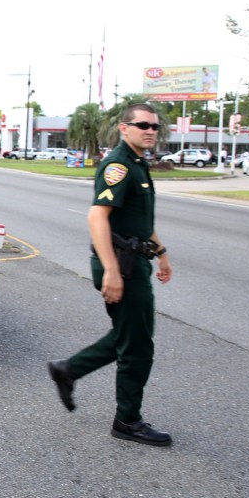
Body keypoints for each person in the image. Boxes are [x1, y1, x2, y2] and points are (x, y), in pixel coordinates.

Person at [47, 103, 174, 447]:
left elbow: (141, 222)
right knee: (138, 346)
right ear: (124, 128)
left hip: (135, 261)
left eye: (154, 127)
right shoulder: (118, 165)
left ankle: (68, 369)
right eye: (143, 125)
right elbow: (97, 218)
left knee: (129, 335)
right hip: (121, 264)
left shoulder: (137, 164)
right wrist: (113, 274)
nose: (150, 131)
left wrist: (160, 253)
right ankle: (127, 420)